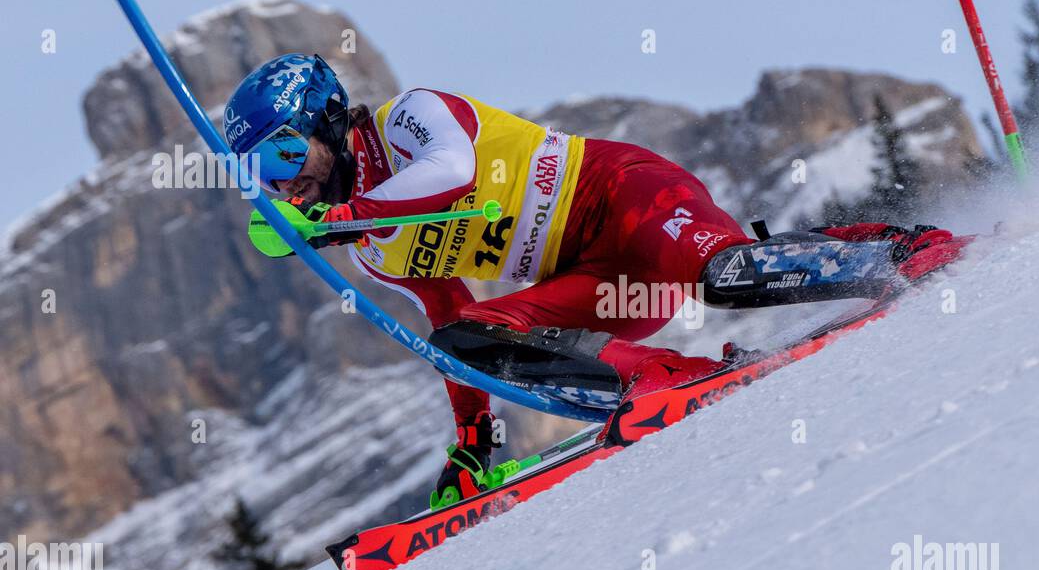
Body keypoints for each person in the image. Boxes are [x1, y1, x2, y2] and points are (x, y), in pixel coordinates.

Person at [225, 54, 958, 502]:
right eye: (257, 175)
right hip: (599, 282)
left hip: (625, 197)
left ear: (323, 122)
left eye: (283, 157)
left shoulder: (407, 118)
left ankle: (891, 248)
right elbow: (449, 330)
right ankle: (671, 376)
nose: (280, 186)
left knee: (727, 275)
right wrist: (473, 444)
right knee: (465, 336)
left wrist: (347, 212)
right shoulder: (372, 248)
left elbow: (450, 176)